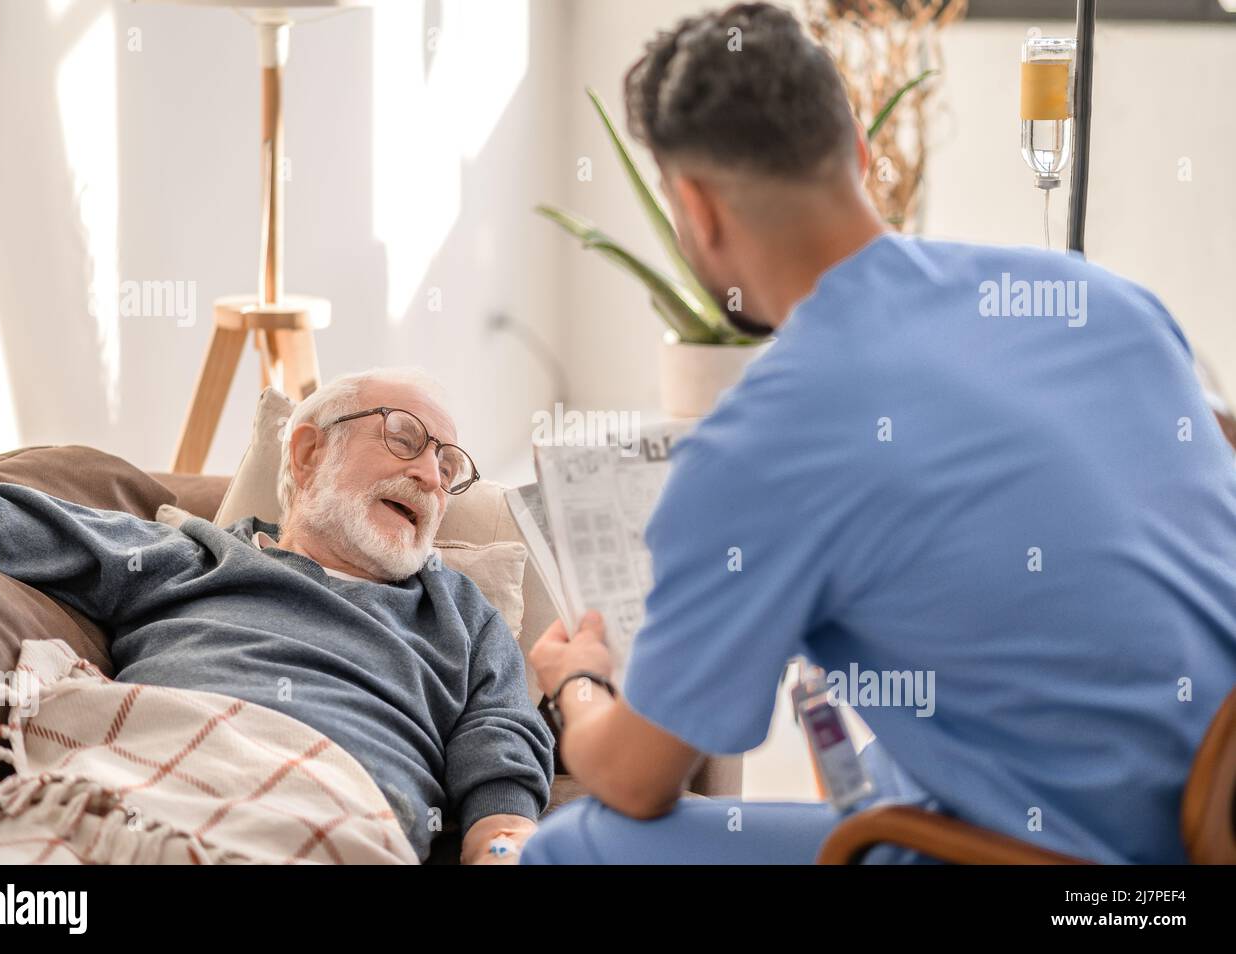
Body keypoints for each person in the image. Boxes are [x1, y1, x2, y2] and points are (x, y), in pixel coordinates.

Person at [522, 2, 1236, 864]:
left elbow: (640, 779)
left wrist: (582, 686)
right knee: (877, 757)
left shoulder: (760, 441)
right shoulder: (1104, 301)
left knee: (577, 845)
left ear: (697, 209)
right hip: (1213, 816)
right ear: (861, 152)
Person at [0, 367, 553, 864]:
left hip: (329, 817)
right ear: (310, 452)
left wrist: (502, 848)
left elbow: (501, 756)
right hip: (121, 794)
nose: (429, 476)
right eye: (407, 440)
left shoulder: (461, 615)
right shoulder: (188, 554)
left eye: (448, 468)